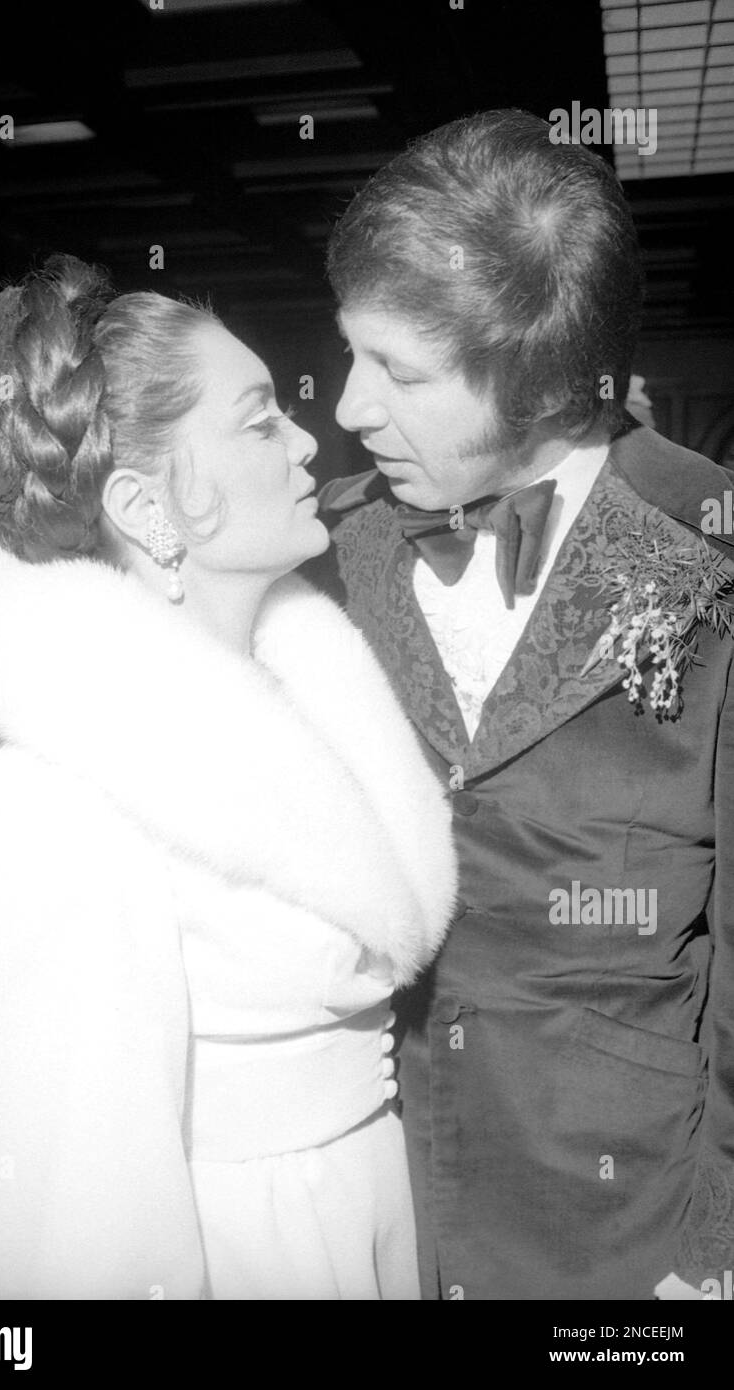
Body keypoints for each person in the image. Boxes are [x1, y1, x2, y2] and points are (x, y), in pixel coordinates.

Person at [0, 255, 457, 1300]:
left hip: (377, 1225)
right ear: (144, 501)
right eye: (260, 421)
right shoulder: (41, 809)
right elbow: (71, 1245)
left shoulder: (315, 689)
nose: (310, 440)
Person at [307, 109, 734, 1301]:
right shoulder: (332, 542)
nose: (344, 407)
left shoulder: (711, 557)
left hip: (615, 1221)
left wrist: (719, 1242)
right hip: (377, 1178)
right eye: (352, 353)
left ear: (546, 386)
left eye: (396, 370)